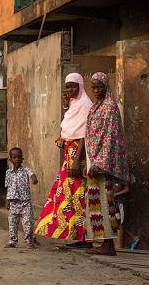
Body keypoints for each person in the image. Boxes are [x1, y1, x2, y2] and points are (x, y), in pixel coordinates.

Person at [36, 73, 93, 247]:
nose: (70, 90)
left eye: (73, 86)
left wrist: (76, 160)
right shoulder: (74, 104)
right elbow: (70, 129)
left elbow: (84, 135)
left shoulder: (85, 104)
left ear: (81, 86)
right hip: (70, 154)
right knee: (69, 197)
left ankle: (86, 237)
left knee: (79, 196)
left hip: (79, 157)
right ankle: (78, 236)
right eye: (67, 86)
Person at [84, 72, 130, 256]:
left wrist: (100, 163)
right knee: (98, 203)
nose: (95, 90)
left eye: (99, 87)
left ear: (105, 86)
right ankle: (103, 243)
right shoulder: (97, 107)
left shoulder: (109, 108)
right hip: (94, 161)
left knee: (104, 204)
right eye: (93, 87)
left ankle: (107, 244)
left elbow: (110, 138)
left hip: (103, 165)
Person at [5, 147, 39, 248]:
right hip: (13, 203)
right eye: (14, 157)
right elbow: (8, 187)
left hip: (25, 203)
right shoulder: (8, 173)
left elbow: (32, 174)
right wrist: (7, 201)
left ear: (22, 159)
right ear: (10, 160)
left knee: (28, 222)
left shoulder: (25, 170)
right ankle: (12, 241)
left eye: (19, 157)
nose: (17, 159)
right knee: (12, 223)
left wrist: (34, 179)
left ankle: (29, 240)